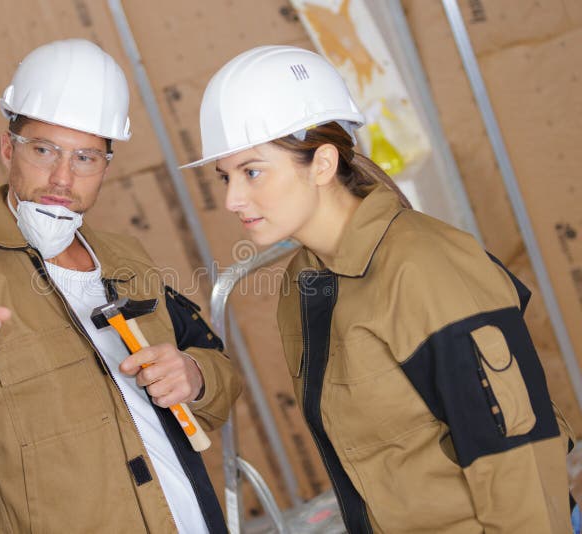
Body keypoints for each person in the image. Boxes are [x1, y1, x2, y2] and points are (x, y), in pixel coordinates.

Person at [183, 44, 574, 533]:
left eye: (252, 172)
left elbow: (518, 456)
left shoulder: (424, 267)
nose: (232, 199)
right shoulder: (304, 284)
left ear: (322, 164)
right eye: (225, 176)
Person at [0, 39, 240, 533]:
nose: (62, 179)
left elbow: (215, 362)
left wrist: (193, 374)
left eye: (86, 158)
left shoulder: (126, 257)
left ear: (106, 166)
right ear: (9, 148)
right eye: (44, 150)